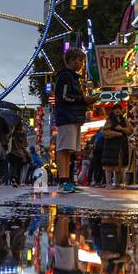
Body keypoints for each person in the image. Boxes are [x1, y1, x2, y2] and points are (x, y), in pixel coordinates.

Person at [53, 49, 90, 193]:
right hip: (66, 117)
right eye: (75, 60)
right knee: (63, 149)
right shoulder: (65, 77)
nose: (79, 63)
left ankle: (67, 180)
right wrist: (83, 99)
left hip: (73, 117)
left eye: (80, 60)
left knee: (69, 150)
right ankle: (63, 181)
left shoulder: (73, 78)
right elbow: (64, 97)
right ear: (68, 61)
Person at [99, 103, 131, 188]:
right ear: (113, 110)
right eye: (116, 109)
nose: (118, 111)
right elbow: (105, 132)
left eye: (119, 109)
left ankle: (117, 183)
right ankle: (108, 183)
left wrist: (122, 129)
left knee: (119, 165)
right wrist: (116, 133)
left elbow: (131, 131)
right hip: (111, 146)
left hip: (122, 146)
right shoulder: (109, 120)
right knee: (109, 165)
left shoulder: (124, 120)